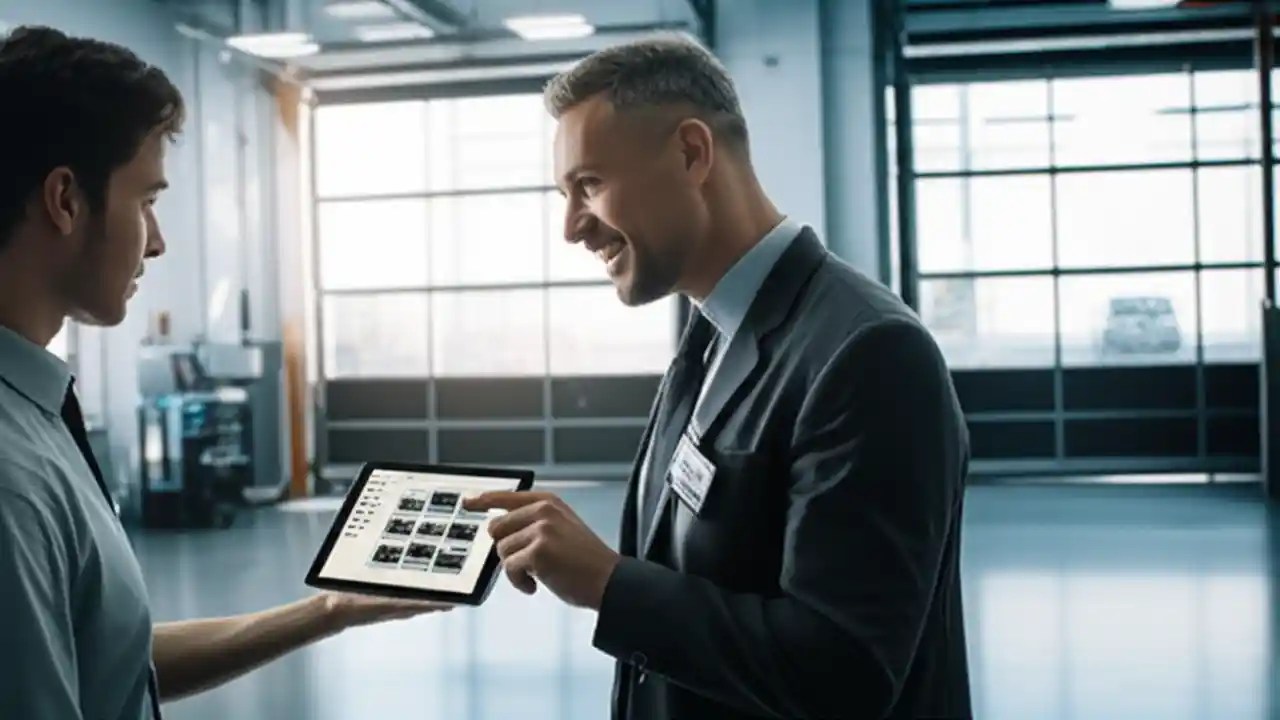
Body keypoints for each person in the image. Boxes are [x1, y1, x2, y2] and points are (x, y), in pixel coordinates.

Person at [464, 35, 971, 720]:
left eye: (589, 184)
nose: (572, 228)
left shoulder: (871, 353)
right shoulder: (711, 333)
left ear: (692, 153)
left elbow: (845, 673)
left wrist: (610, 585)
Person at [0, 26, 447, 720]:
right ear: (65, 200)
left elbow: (113, 664)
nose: (158, 239)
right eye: (146, 201)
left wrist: (330, 610)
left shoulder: (37, 408)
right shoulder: (11, 475)